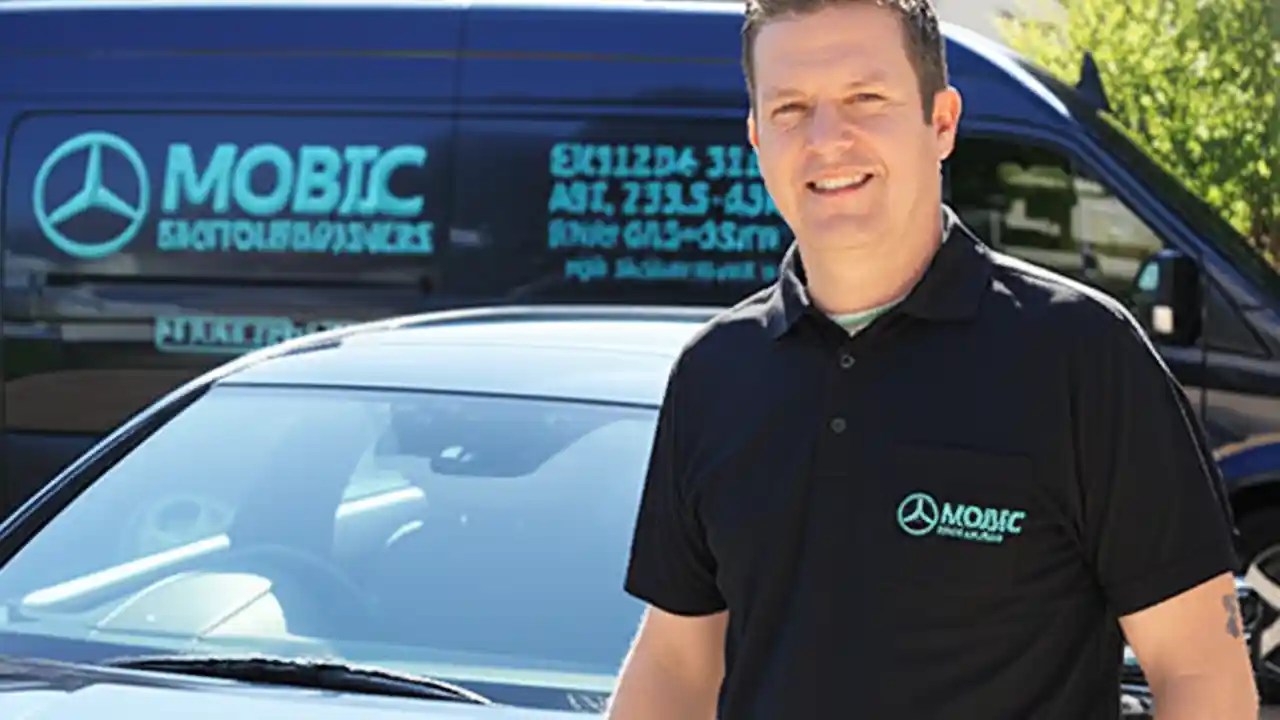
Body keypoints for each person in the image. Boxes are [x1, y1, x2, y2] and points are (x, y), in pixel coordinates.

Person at [605, 0, 1261, 718]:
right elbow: (676, 662)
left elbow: (1198, 668)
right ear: (758, 138)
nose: (829, 138)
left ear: (941, 123)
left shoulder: (1082, 355)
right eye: (792, 108)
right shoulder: (716, 372)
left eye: (866, 98)